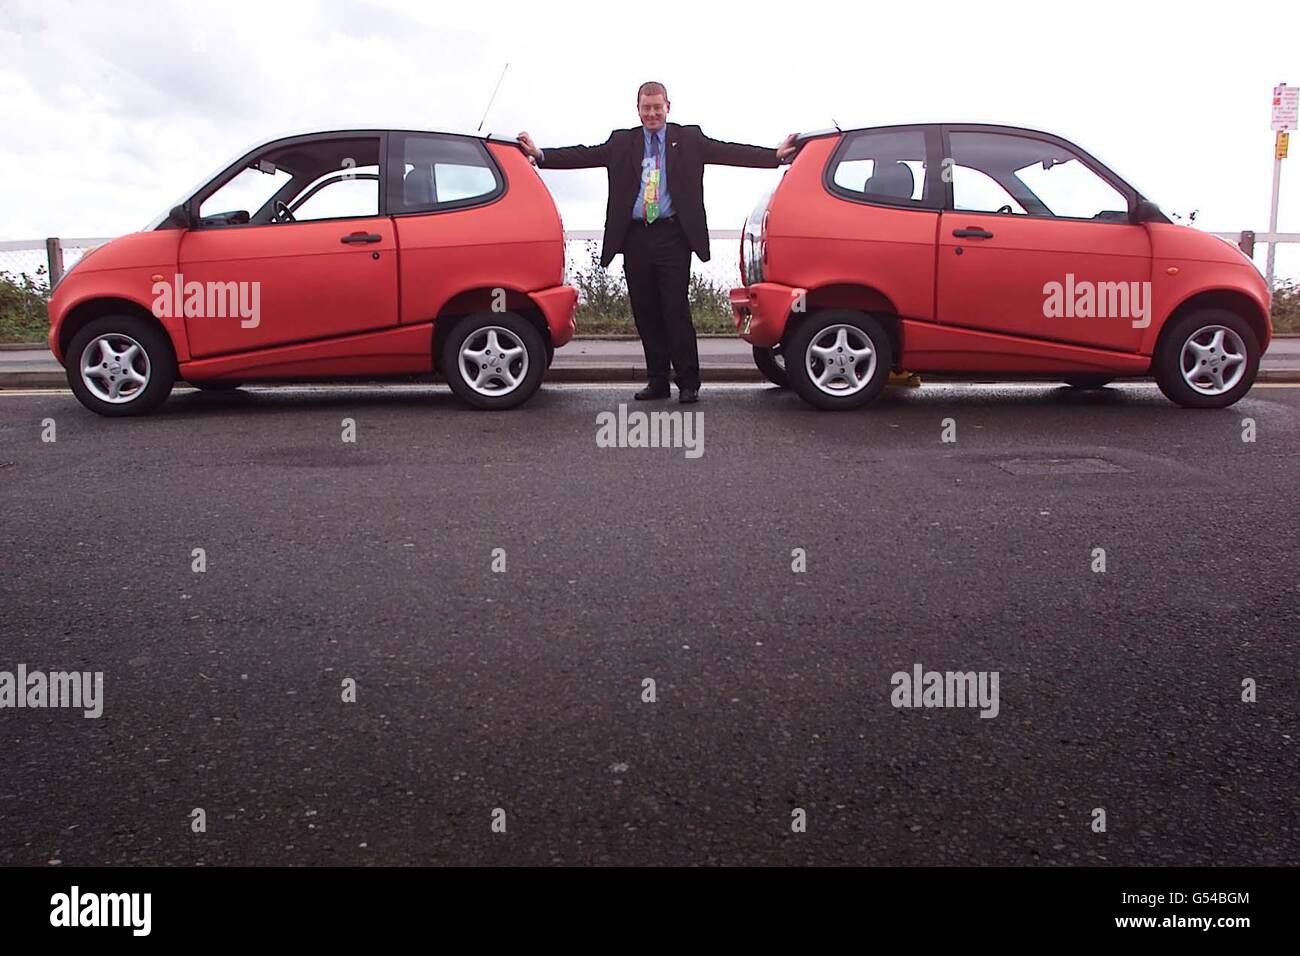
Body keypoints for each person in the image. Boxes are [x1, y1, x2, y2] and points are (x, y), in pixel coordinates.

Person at [518, 81, 796, 403]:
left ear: (668, 107)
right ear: (637, 110)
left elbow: (729, 151)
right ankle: (657, 381)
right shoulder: (623, 142)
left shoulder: (689, 138)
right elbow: (585, 155)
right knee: (645, 311)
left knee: (675, 309)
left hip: (673, 235)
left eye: (657, 107)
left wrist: (774, 156)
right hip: (635, 236)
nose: (651, 113)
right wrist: (540, 155)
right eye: (646, 108)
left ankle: (689, 382)